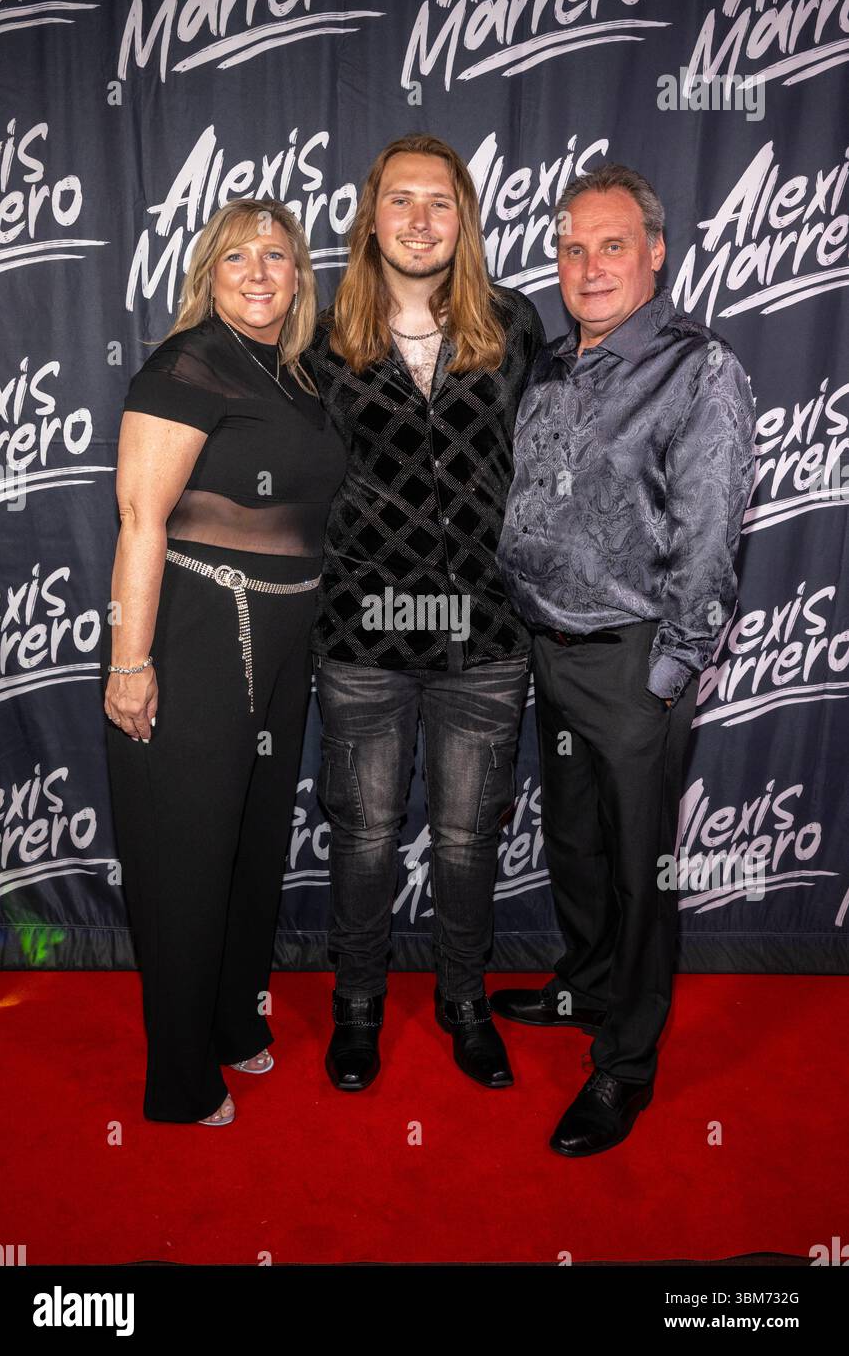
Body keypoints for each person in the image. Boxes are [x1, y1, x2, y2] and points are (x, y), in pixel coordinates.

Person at [492, 163, 755, 1155]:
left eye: (609, 244)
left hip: (633, 659)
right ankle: (583, 986)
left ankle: (625, 1065)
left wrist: (668, 669)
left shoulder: (697, 368)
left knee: (641, 870)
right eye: (569, 246)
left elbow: (706, 537)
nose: (587, 264)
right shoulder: (550, 367)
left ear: (653, 252)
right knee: (575, 842)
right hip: (549, 653)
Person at [304, 134, 545, 1092]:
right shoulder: (322, 338)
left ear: (465, 219)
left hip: (484, 635)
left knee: (466, 834)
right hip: (363, 635)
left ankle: (461, 1001)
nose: (417, 219)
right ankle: (357, 1003)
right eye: (399, 200)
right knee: (362, 832)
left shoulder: (515, 327)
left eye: (438, 202)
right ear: (370, 218)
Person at [102, 198, 347, 1126]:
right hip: (200, 627)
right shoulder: (188, 363)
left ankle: (234, 1021)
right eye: (237, 255)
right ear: (209, 271)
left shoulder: (297, 376)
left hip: (286, 637)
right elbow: (139, 519)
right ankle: (177, 1082)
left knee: (251, 849)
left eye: (276, 256)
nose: (258, 271)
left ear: (298, 277)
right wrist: (131, 662)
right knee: (188, 857)